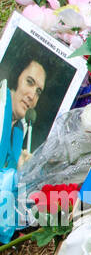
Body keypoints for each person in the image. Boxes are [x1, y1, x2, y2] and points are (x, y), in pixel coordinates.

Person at [1, 59, 46, 242]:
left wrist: (23, 173)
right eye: (29, 82)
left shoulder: (21, 129)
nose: (32, 96)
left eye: (38, 92)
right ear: (16, 76)